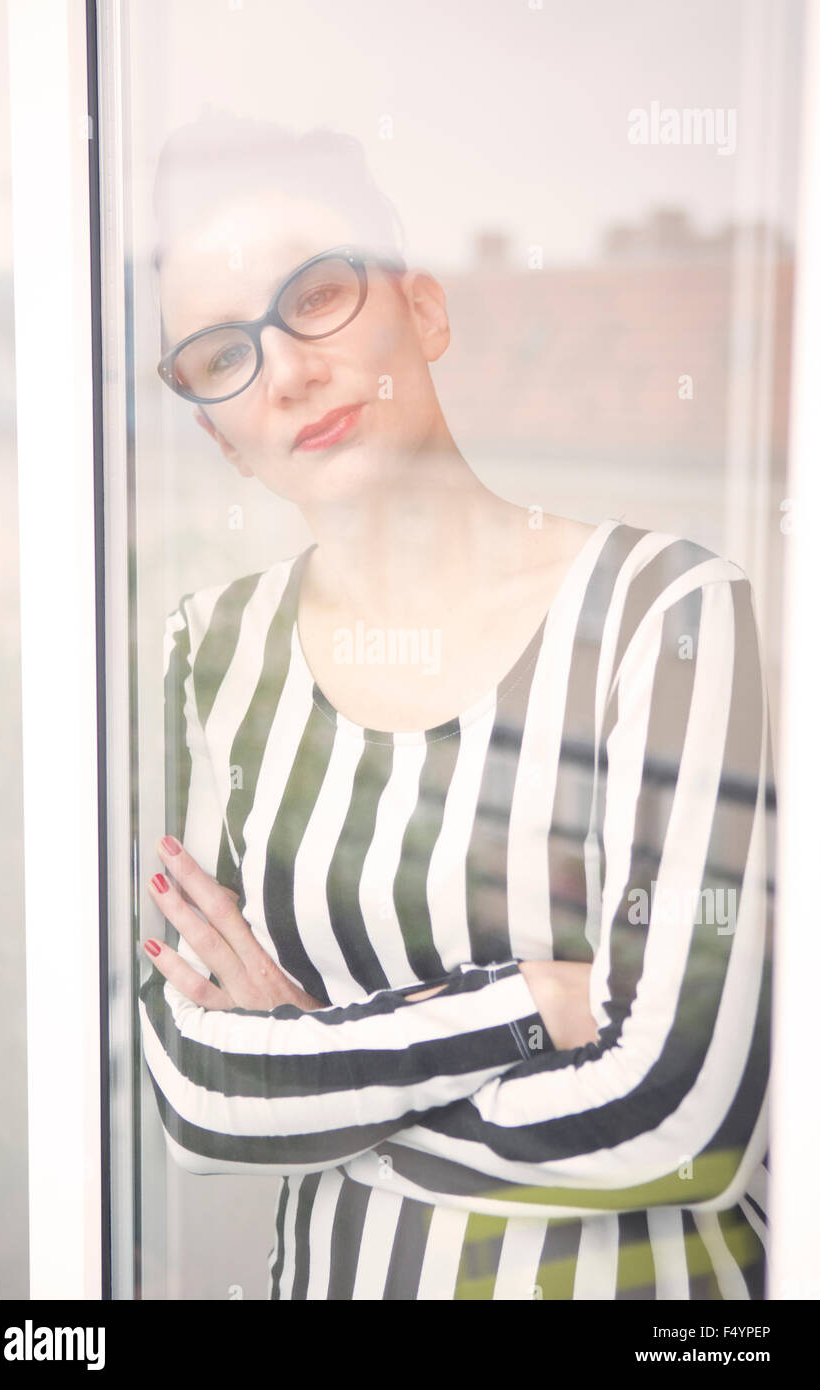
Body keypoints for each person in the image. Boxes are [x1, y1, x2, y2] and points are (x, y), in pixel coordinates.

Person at [137, 112, 774, 1300]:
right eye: (220, 357)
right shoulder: (210, 654)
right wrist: (530, 1003)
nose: (284, 370)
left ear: (421, 310)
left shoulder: (663, 610)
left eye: (315, 294)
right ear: (215, 432)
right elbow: (193, 1088)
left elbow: (687, 1121)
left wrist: (307, 1069)